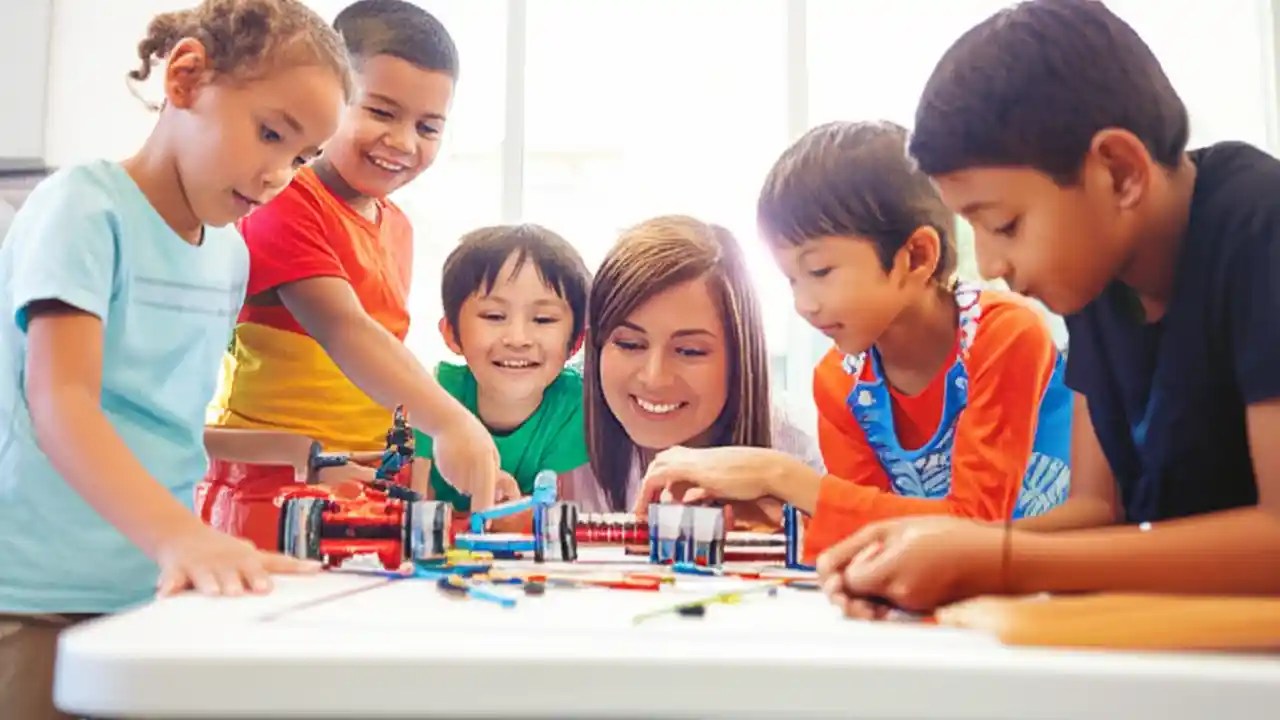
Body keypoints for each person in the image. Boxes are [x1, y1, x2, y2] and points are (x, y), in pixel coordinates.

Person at [819, 0, 1280, 617]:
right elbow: (1098, 511)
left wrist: (1001, 560)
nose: (992, 264)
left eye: (1005, 224)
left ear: (1119, 174)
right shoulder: (1093, 278)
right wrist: (936, 546)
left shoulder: (1260, 229)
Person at [0, 1, 351, 715]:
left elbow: (171, 423)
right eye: (270, 134)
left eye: (301, 157)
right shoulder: (84, 208)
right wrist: (184, 539)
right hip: (34, 598)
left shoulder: (227, 254)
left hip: (148, 596)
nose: (280, 173)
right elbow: (61, 401)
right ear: (187, 78)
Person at [635, 122, 1071, 559]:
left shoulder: (1005, 336)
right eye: (791, 280)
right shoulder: (839, 383)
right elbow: (871, 538)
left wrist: (779, 474)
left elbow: (977, 524)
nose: (805, 304)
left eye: (820, 272)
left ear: (917, 256)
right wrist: (775, 512)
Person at [201, 0, 503, 549]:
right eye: (381, 112)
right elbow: (344, 330)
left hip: (359, 493)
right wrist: (455, 424)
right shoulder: (284, 199)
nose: (405, 142)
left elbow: (378, 375)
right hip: (268, 500)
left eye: (428, 126)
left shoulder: (399, 228)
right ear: (330, 99)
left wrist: (451, 461)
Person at [572, 215, 823, 529]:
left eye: (689, 351)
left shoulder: (802, 453)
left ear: (740, 356)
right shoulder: (555, 442)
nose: (654, 377)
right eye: (630, 344)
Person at [422, 224, 592, 512]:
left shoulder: (576, 406)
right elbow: (414, 509)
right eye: (494, 315)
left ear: (575, 342)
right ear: (452, 334)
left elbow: (558, 519)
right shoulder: (433, 394)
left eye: (543, 319)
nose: (517, 339)